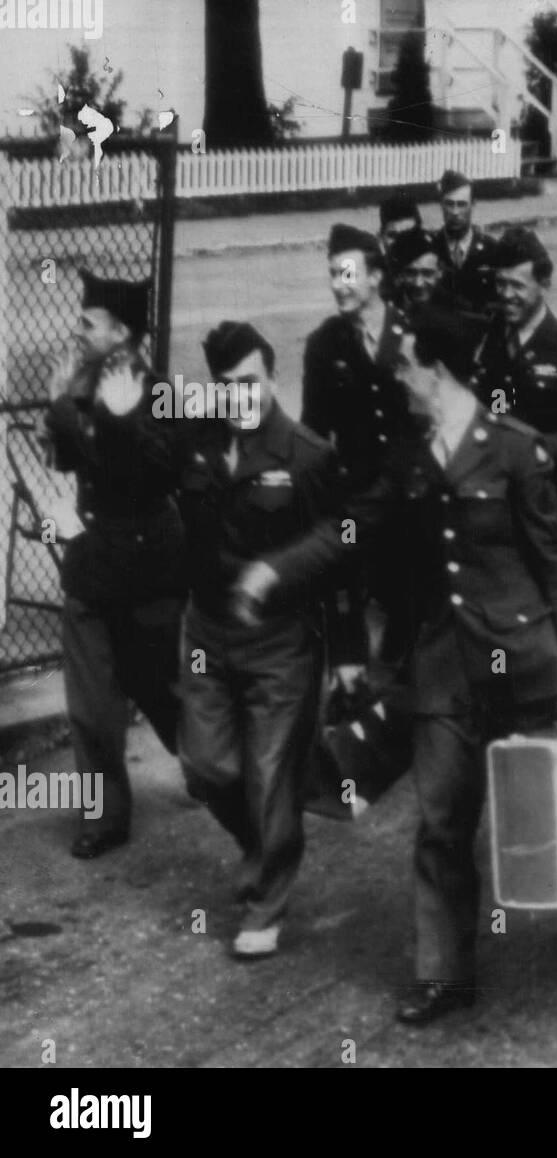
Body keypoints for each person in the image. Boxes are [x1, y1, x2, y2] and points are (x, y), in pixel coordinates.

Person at [261, 312, 557, 1021]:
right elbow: (349, 530)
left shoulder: (516, 450)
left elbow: (554, 567)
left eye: (405, 367)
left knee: (551, 804)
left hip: (522, 662)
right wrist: (278, 570)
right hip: (444, 668)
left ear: (437, 372)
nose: (397, 381)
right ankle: (446, 975)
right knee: (442, 819)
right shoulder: (408, 458)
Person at [177, 322, 342, 959]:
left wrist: (347, 654)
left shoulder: (307, 455)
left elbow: (341, 543)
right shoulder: (195, 440)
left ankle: (265, 903)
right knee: (206, 767)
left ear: (273, 378)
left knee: (271, 775)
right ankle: (263, 844)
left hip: (280, 640)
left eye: (250, 382)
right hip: (205, 632)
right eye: (226, 386)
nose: (239, 397)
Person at [41, 271, 187, 859]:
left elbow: (154, 474)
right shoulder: (81, 384)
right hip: (93, 564)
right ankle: (104, 815)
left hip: (150, 568)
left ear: (122, 332)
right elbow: (64, 461)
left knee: (165, 690)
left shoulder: (160, 395)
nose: (78, 331)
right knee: (93, 710)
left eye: (88, 323)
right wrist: (61, 410)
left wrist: (96, 419)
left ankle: (211, 765)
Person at [301, 223, 412, 673]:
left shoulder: (414, 332)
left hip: (409, 497)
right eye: (332, 274)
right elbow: (314, 432)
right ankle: (354, 688)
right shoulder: (324, 344)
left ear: (376, 277)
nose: (337, 285)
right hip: (354, 499)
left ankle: (400, 681)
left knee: (409, 601)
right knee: (344, 592)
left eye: (347, 274)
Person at [473, 226, 557, 586]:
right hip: (499, 515)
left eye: (517, 286)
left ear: (544, 283)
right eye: (501, 284)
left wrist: (539, 448)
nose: (506, 295)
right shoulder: (488, 342)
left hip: (556, 515)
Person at [429, 170, 500, 317]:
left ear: (473, 205)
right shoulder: (430, 248)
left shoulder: (492, 249)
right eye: (449, 204)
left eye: (462, 204)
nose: (455, 212)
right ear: (441, 205)